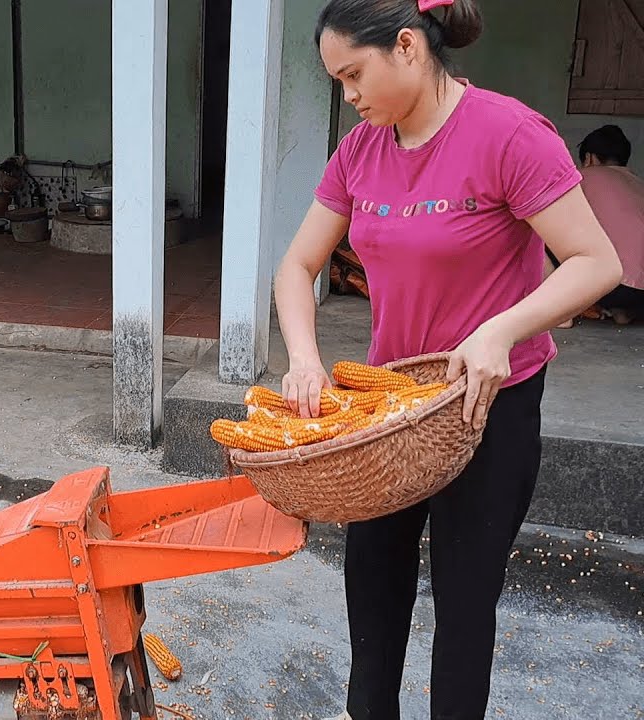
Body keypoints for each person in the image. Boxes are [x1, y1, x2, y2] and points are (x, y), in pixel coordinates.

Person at [272, 1, 623, 718]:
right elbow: (297, 265)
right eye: (337, 81)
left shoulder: (508, 133)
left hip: (486, 407)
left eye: (353, 74)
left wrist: (502, 330)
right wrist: (304, 358)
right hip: (389, 411)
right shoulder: (361, 150)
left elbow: (596, 262)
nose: (348, 96)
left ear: (406, 47)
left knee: (464, 609)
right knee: (372, 593)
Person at [545, 125, 644, 326]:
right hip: (638, 292)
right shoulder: (639, 184)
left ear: (589, 158)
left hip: (612, 284)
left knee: (540, 232)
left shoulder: (580, 180)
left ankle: (561, 313)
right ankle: (622, 311)